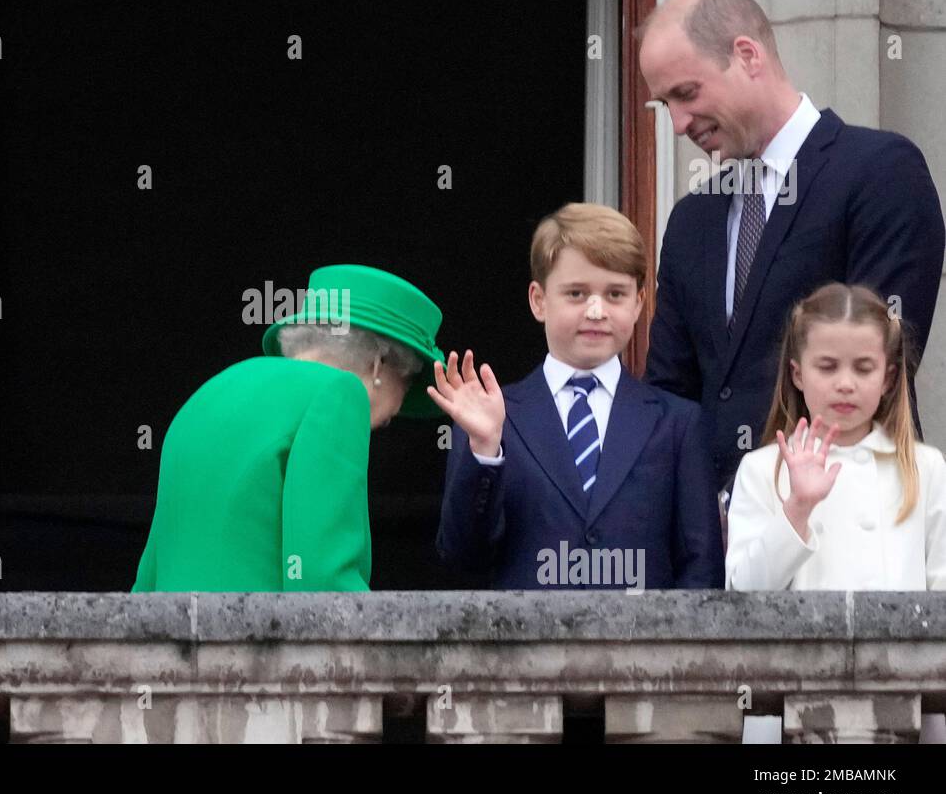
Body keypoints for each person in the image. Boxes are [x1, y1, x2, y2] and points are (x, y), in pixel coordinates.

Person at [640, 0, 945, 491]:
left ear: (747, 55)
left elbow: (879, 363)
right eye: (663, 104)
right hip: (715, 548)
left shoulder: (880, 172)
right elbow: (671, 394)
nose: (677, 124)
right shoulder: (692, 220)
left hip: (843, 520)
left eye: (686, 94)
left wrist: (779, 500)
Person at [431, 203, 723, 590]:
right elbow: (463, 556)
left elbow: (701, 568)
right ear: (539, 300)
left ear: (639, 302)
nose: (597, 311)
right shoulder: (496, 418)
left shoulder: (677, 423)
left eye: (615, 294)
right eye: (576, 293)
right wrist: (485, 449)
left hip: (642, 647)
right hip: (528, 646)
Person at [132, 264, 444, 592]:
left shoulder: (209, 393)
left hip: (172, 637)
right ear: (380, 363)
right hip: (258, 638)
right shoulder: (338, 393)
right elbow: (322, 577)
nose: (396, 411)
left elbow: (148, 575)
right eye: (408, 383)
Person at [726, 283, 945, 591]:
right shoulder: (762, 469)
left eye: (863, 369)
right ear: (797, 374)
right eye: (827, 367)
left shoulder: (926, 468)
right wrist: (798, 507)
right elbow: (742, 594)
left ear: (888, 378)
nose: (845, 383)